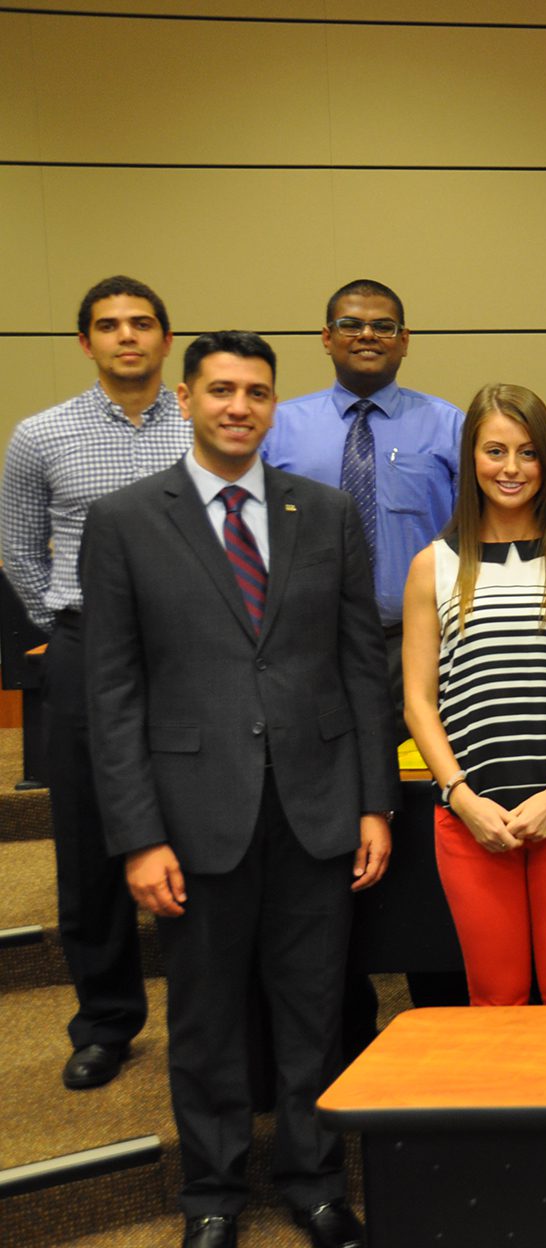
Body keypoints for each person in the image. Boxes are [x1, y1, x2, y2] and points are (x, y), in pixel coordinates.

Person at [83, 332, 393, 1248]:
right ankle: (211, 1195)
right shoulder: (127, 519)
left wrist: (375, 801)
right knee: (208, 1018)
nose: (238, 407)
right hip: (191, 815)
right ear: (185, 399)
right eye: (220, 390)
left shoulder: (326, 511)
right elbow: (112, 692)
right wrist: (137, 837)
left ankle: (315, 1182)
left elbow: (359, 667)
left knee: (313, 1009)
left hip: (319, 807)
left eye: (256, 392)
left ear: (272, 406)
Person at [261, 277, 468, 1033]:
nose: (368, 335)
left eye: (385, 325)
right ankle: (342, 1011)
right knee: (325, 820)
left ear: (406, 339)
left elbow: (470, 540)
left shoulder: (447, 425)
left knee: (423, 817)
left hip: (421, 653)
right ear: (325, 338)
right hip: (307, 656)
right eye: (351, 324)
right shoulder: (281, 429)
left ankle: (437, 1007)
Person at [1, 275, 185, 1091]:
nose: (126, 337)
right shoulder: (39, 436)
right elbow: (20, 550)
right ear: (85, 343)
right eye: (108, 326)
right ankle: (105, 1022)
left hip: (190, 654)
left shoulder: (204, 423)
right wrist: (61, 633)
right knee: (87, 841)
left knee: (199, 828)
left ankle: (213, 1015)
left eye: (142, 323)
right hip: (85, 650)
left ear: (165, 339)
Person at [402, 384, 546, 1007]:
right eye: (494, 451)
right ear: (470, 459)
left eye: (528, 453)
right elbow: (418, 700)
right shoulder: (433, 566)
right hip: (473, 818)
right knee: (494, 1001)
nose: (511, 469)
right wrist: (460, 797)